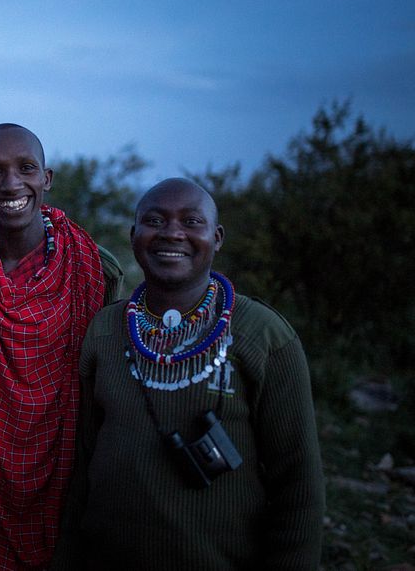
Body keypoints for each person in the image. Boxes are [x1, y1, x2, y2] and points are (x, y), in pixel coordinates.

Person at [54, 177, 324, 570]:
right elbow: (81, 467)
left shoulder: (262, 335)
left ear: (216, 237)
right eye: (155, 220)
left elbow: (298, 482)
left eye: (191, 221)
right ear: (134, 235)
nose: (172, 233)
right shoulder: (104, 330)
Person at [0, 123, 115, 570]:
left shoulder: (93, 266)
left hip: (65, 464)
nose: (11, 184)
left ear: (47, 179)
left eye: (26, 168)